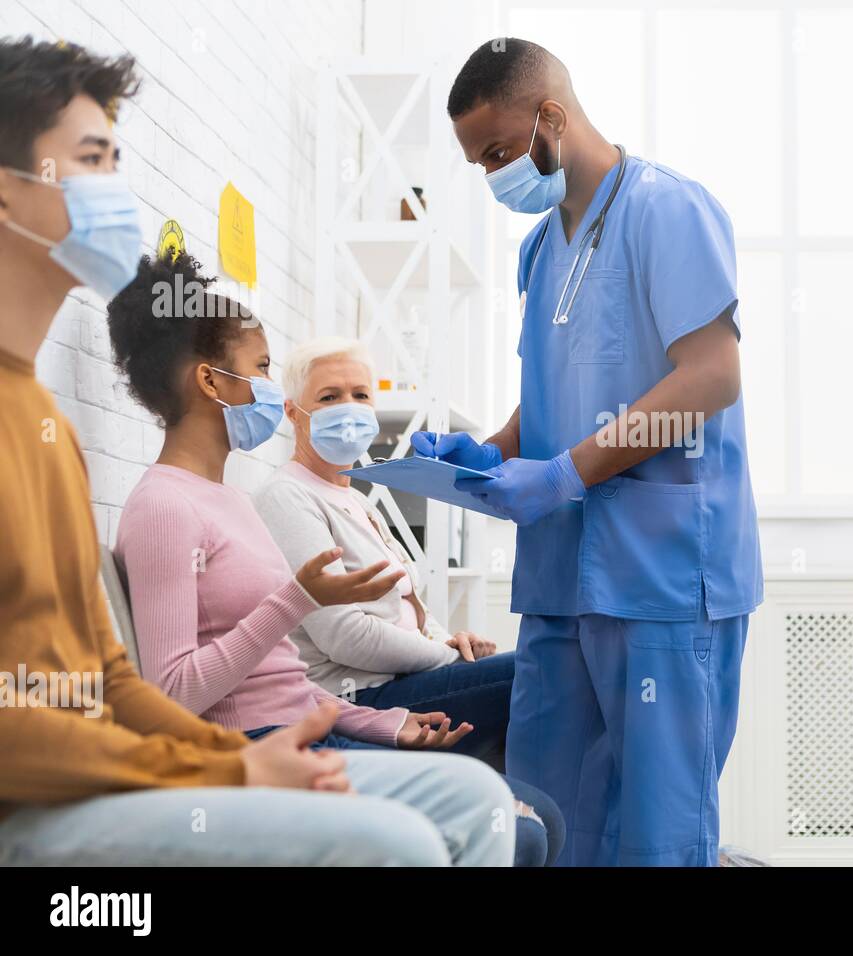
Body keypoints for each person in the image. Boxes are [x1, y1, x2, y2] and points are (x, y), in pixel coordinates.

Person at [0, 36, 513, 866]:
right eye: (89, 162)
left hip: (156, 762)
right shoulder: (159, 499)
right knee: (407, 845)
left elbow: (115, 682)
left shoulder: (49, 434)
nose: (111, 193)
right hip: (50, 799)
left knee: (479, 800)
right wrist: (221, 766)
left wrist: (247, 756)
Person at [414, 38, 763, 866]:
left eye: (499, 152)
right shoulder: (541, 248)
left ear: (552, 117)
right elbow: (559, 392)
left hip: (664, 578)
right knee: (545, 823)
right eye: (477, 162)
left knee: (657, 835)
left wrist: (567, 473)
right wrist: (485, 452)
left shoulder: (667, 210)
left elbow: (710, 377)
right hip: (560, 582)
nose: (494, 175)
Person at [108, 251, 558, 866]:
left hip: (314, 726)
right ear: (212, 382)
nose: (270, 387)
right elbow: (170, 697)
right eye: (261, 369)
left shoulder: (230, 501)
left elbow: (289, 685)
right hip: (254, 747)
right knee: (523, 833)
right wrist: (297, 599)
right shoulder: (163, 506)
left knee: (545, 819)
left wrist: (387, 724)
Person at [251, 336, 562, 861]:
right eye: (329, 397)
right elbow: (344, 635)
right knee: (537, 670)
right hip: (360, 697)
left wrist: (447, 636)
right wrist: (447, 658)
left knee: (536, 690)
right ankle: (495, 802)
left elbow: (406, 606)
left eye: (360, 395)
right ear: (292, 413)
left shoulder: (355, 498)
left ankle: (502, 801)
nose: (348, 408)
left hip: (403, 681)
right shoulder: (287, 497)